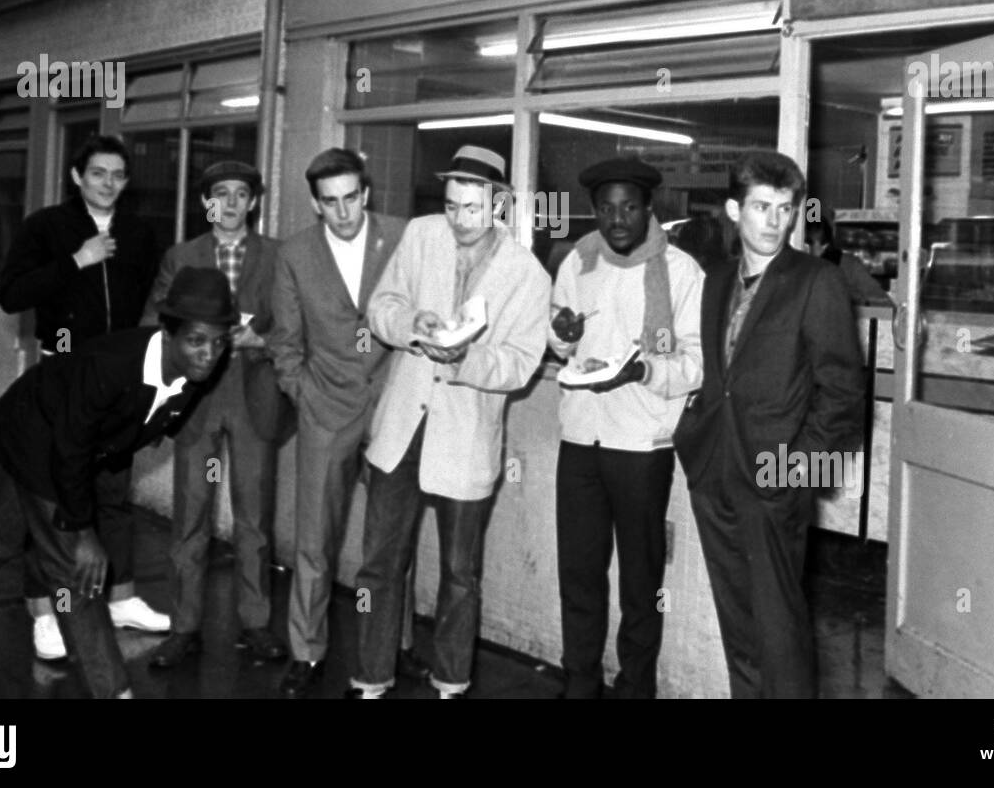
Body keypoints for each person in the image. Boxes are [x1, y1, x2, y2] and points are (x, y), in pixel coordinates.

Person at [0, 268, 235, 700]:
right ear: (166, 333)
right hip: (36, 440)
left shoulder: (196, 372)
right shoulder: (111, 366)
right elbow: (71, 446)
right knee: (79, 575)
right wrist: (83, 530)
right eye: (197, 340)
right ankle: (116, 693)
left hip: (71, 449)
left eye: (219, 341)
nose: (208, 353)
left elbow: (119, 436)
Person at [347, 145, 551, 698]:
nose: (460, 221)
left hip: (464, 441)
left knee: (460, 577)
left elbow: (522, 364)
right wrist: (413, 323)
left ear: (500, 206)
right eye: (452, 206)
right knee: (379, 565)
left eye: (473, 209)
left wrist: (466, 360)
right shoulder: (420, 235)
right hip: (400, 433)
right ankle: (370, 677)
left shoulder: (527, 274)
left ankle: (451, 682)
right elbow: (380, 306)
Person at [675, 151, 864, 698]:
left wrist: (792, 475)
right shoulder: (714, 280)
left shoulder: (816, 282)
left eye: (786, 208)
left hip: (775, 478)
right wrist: (694, 439)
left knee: (780, 632)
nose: (775, 221)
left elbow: (844, 397)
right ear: (735, 210)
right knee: (737, 622)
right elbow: (719, 376)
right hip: (714, 471)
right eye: (761, 207)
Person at [0, 134, 165, 660]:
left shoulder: (140, 234)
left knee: (113, 497)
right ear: (77, 176)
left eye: (118, 175)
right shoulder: (45, 227)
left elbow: (149, 304)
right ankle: (43, 613)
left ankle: (121, 597)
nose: (109, 183)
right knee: (51, 500)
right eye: (98, 173)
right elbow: (12, 294)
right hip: (62, 381)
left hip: (119, 386)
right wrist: (76, 261)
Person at [548, 158, 703, 698]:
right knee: (580, 575)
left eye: (629, 207)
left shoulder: (681, 271)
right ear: (594, 211)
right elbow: (562, 344)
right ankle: (580, 684)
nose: (618, 220)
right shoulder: (577, 263)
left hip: (641, 445)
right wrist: (562, 337)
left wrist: (644, 370)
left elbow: (697, 364)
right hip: (580, 439)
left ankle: (636, 688)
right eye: (607, 209)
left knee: (641, 584)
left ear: (648, 209)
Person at [269, 148, 418, 698]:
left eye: (351, 197)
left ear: (367, 193)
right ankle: (306, 652)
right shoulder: (294, 254)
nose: (343, 211)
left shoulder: (402, 235)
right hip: (325, 411)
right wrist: (304, 395)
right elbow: (284, 342)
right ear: (315, 204)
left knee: (390, 541)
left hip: (391, 406)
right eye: (329, 202)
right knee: (315, 540)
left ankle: (395, 645)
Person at [143, 161, 288, 668]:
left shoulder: (276, 257)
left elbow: (294, 326)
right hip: (198, 399)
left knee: (255, 520)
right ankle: (184, 628)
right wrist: (189, 342)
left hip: (253, 398)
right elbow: (153, 323)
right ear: (206, 202)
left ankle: (256, 623)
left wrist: (262, 340)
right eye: (219, 194)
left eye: (240, 194)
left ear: (253, 202)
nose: (229, 204)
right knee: (190, 519)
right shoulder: (181, 257)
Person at [803, 212, 892, 307]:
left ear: (824, 245)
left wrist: (853, 301)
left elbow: (884, 303)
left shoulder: (849, 266)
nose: (804, 250)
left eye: (808, 243)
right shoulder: (801, 268)